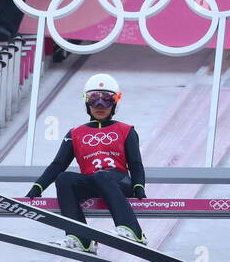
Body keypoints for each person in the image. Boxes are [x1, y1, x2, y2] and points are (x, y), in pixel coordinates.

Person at [26, 73, 147, 252]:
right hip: (94, 182)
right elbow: (58, 165)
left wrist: (139, 185)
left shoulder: (126, 130)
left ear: (115, 102)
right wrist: (38, 186)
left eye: (106, 99)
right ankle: (81, 238)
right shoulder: (75, 133)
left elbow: (135, 163)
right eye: (93, 99)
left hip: (119, 182)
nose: (99, 105)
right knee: (64, 178)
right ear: (85, 101)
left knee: (102, 175)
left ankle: (133, 231)